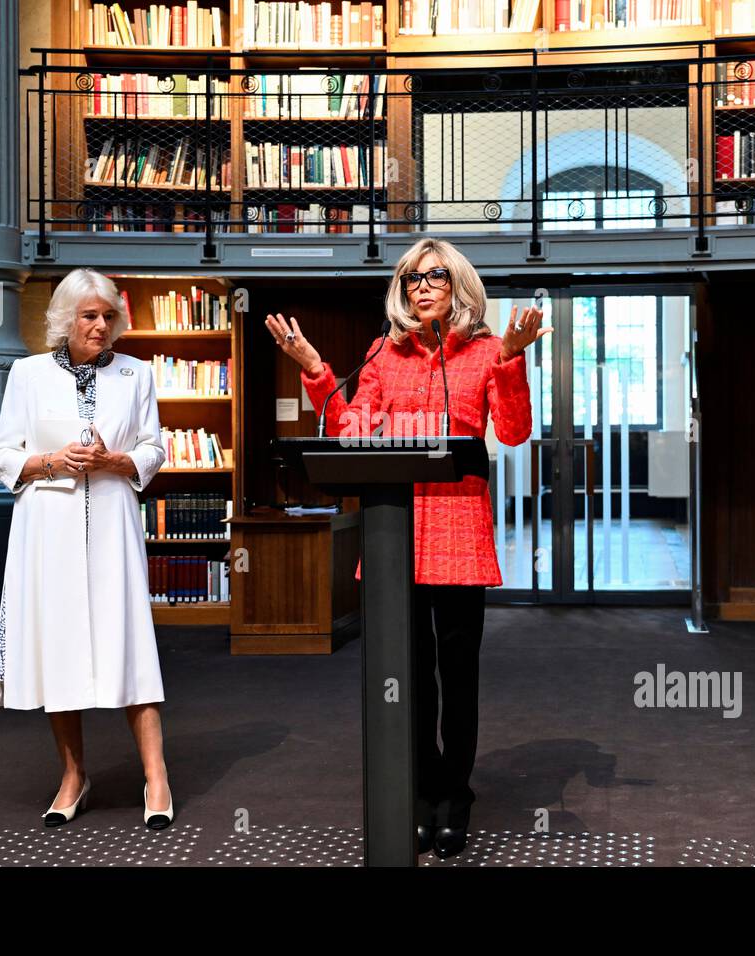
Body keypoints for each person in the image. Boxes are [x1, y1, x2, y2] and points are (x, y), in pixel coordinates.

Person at [265, 237, 549, 858]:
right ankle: (420, 794)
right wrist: (314, 368)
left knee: (458, 678)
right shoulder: (381, 355)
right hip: (397, 539)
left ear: (459, 287)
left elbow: (516, 432)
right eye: (412, 279)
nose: (422, 287)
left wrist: (510, 359)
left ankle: (456, 798)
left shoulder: (482, 353)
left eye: (435, 276)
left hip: (459, 537)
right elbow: (349, 430)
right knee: (410, 679)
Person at [0, 267, 175, 830]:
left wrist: (114, 461)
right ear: (65, 318)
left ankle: (157, 778)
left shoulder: (135, 374)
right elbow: (2, 455)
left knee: (130, 646)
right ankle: (73, 777)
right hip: (48, 527)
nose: (100, 325)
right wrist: (52, 463)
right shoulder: (27, 374)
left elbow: (153, 447)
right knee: (60, 649)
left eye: (108, 316)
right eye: (89, 315)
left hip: (114, 523)